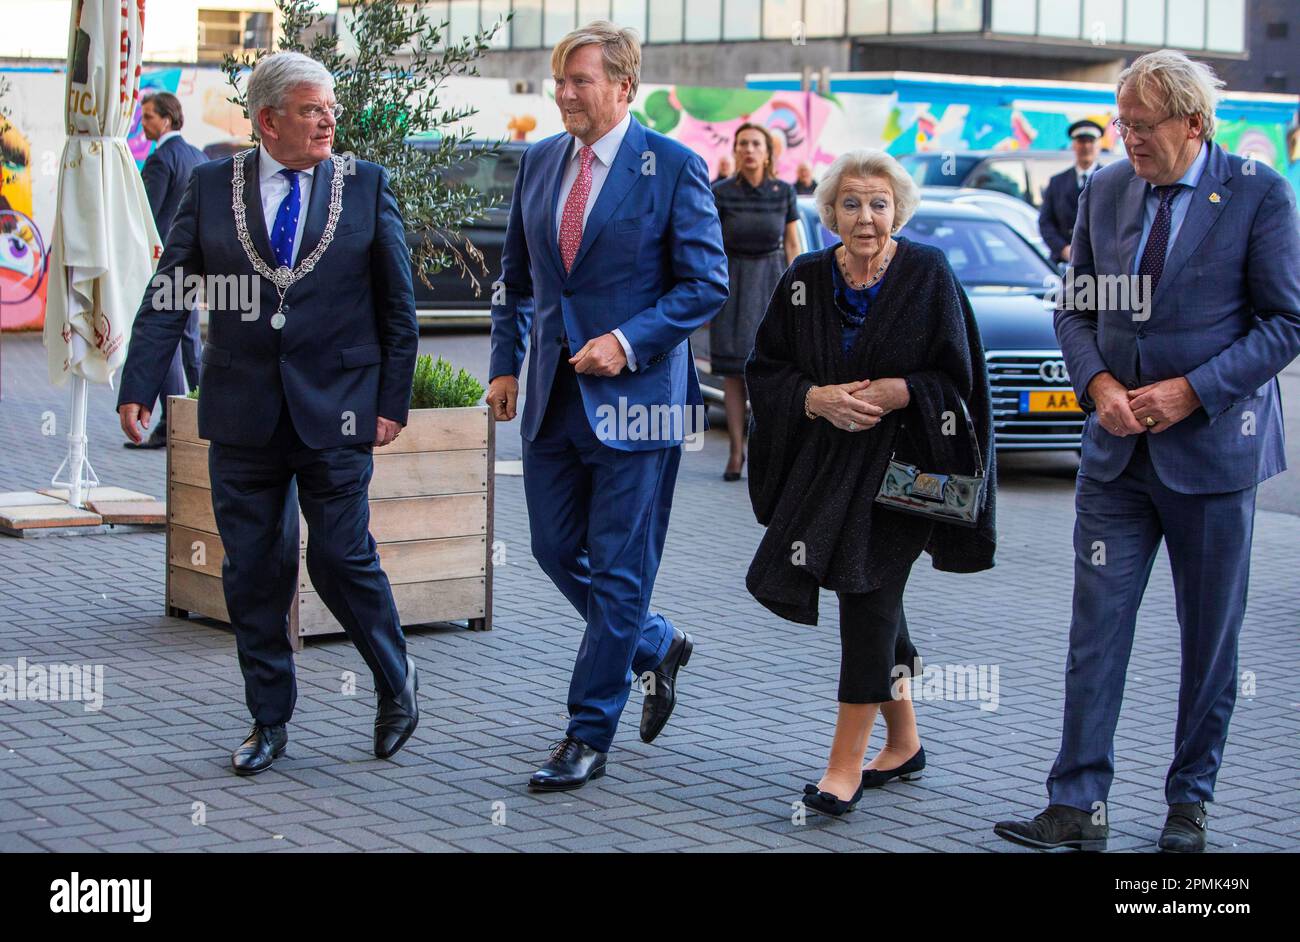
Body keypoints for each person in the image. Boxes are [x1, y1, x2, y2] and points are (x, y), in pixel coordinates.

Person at [995, 49, 1300, 853]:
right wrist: (1096, 386)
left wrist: (1191, 390)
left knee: (1209, 642)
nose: (1125, 136)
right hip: (1115, 457)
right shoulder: (1105, 189)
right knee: (1095, 631)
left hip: (1212, 457)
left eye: (1141, 124)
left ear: (1194, 124)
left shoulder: (1259, 192)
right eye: (1121, 121)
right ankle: (1076, 804)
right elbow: (1075, 309)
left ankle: (1188, 805)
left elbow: (1285, 323)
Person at [116, 51, 421, 776]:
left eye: (332, 109)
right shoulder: (211, 184)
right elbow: (171, 291)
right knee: (255, 570)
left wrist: (390, 403)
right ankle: (269, 720)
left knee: (340, 557)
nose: (329, 121)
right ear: (268, 119)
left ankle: (394, 682)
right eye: (314, 109)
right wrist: (141, 382)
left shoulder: (366, 185)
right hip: (243, 410)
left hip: (338, 411)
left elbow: (397, 307)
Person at [487, 21, 728, 792]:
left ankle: (588, 730)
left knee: (621, 569)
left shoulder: (675, 168)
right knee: (553, 550)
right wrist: (502, 370)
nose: (564, 94)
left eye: (580, 81)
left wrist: (628, 340)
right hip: (553, 402)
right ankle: (655, 642)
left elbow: (705, 284)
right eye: (559, 80)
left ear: (625, 88)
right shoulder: (539, 162)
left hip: (642, 403)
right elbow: (516, 282)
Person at [745, 149, 996, 817]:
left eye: (878, 203)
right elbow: (764, 368)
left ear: (898, 211)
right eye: (851, 203)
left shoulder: (927, 276)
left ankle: (843, 767)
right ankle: (905, 743)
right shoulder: (803, 278)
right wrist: (812, 399)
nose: (865, 216)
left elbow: (962, 382)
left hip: (909, 473)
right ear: (829, 212)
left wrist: (901, 390)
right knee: (879, 601)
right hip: (830, 471)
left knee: (866, 598)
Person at [709, 123, 799, 480]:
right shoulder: (720, 192)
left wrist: (799, 292)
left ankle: (767, 454)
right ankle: (736, 452)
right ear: (735, 150)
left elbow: (793, 245)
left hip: (771, 282)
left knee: (768, 373)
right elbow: (710, 244)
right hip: (732, 282)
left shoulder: (784, 192)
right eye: (742, 143)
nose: (749, 150)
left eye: (755, 144)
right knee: (733, 374)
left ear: (767, 152)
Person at [123, 91, 207, 450]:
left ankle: (171, 422)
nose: (144, 125)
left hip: (162, 262)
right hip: (196, 262)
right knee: (189, 339)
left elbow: (145, 217)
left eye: (149, 118)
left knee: (166, 336)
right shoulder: (198, 156)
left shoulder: (160, 160)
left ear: (167, 120)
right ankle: (202, 410)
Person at [1038, 119, 1104, 265]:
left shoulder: (1111, 180)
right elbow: (1045, 222)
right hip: (1064, 261)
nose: (1086, 147)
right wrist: (1063, 249)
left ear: (1099, 145)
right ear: (1074, 145)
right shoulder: (1057, 182)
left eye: (1090, 141)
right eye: (1081, 142)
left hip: (1099, 262)